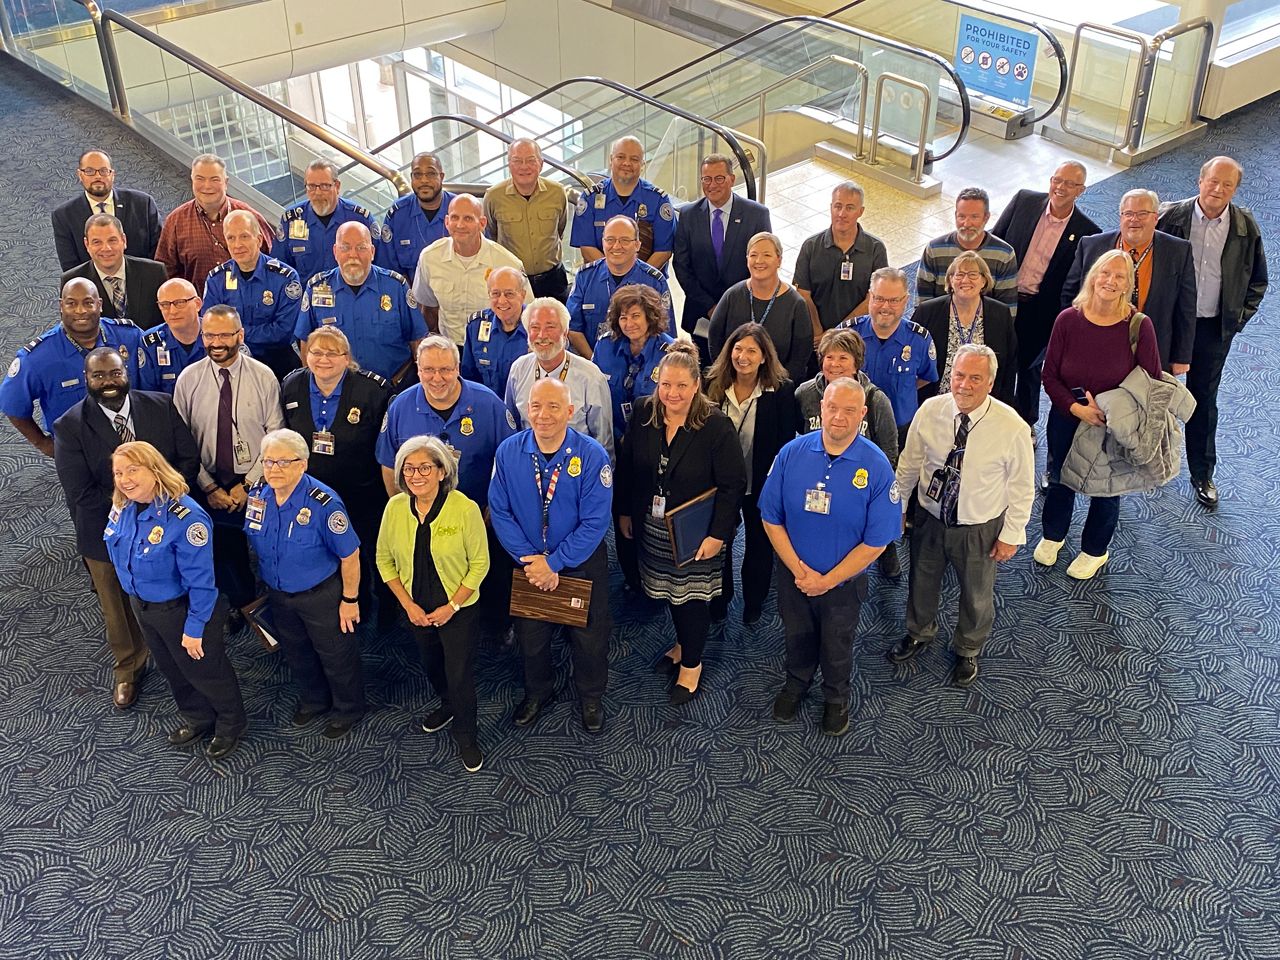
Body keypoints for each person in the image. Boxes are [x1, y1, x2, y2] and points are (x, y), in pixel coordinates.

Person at [53, 347, 199, 709]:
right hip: (106, 533)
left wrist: (159, 506)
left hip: (169, 523)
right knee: (116, 606)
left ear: (126, 372)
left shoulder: (161, 405)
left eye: (114, 374)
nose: (108, 383)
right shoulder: (69, 427)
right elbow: (80, 492)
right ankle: (129, 667)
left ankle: (189, 651)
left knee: (178, 590)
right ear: (86, 379)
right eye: (98, 376)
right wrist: (136, 507)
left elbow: (187, 460)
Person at [759, 377, 899, 736]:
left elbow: (877, 540)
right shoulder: (792, 453)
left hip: (843, 584)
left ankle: (836, 698)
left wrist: (827, 581)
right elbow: (770, 517)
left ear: (863, 414)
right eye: (832, 407)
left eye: (849, 410)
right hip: (795, 577)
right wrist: (800, 572)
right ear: (821, 408)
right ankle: (796, 682)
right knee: (797, 635)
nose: (839, 417)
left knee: (837, 644)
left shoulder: (877, 466)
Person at [889, 344, 1035, 686]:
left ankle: (968, 648)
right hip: (929, 518)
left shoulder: (1011, 426)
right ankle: (918, 631)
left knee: (976, 592)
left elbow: (1022, 487)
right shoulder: (930, 411)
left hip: (979, 528)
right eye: (958, 375)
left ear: (990, 383)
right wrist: (898, 510)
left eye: (975, 378)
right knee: (921, 582)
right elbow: (909, 465)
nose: (964, 385)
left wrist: (1011, 534)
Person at [617, 342, 745, 704]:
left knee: (690, 599)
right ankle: (681, 643)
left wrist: (719, 535)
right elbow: (627, 468)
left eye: (682, 386)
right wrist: (625, 511)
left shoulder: (715, 425)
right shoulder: (643, 411)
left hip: (696, 534)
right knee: (668, 593)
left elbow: (733, 484)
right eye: (666, 385)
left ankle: (692, 663)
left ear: (696, 387)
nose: (672, 394)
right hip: (653, 528)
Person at [104, 440, 246, 760]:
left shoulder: (185, 518)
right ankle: (199, 717)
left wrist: (195, 628)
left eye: (133, 470)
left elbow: (202, 584)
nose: (125, 479)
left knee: (207, 670)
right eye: (118, 472)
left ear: (154, 471)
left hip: (182, 610)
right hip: (143, 607)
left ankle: (230, 723)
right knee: (172, 669)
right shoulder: (123, 507)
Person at [489, 377, 614, 732]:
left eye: (554, 407)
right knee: (531, 637)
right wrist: (532, 561)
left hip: (579, 563)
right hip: (528, 565)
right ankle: (538, 692)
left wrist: (554, 563)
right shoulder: (509, 452)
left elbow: (595, 522)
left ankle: (590, 695)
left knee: (590, 637)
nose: (543, 415)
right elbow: (499, 512)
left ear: (570, 412)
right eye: (536, 406)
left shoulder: (592, 456)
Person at [1038, 250, 1162, 579]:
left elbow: (1150, 384)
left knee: (1106, 489)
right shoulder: (1068, 319)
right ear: (1093, 276)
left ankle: (1095, 550)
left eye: (1119, 276)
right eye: (1104, 273)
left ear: (1128, 286)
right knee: (1060, 477)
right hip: (1068, 417)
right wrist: (1077, 408)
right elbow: (1049, 376)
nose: (1110, 280)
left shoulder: (1139, 326)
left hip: (1113, 426)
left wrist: (1111, 412)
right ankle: (1053, 534)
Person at [377, 336, 516, 624]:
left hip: (480, 515)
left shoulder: (488, 403)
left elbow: (509, 460)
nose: (436, 378)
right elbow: (389, 463)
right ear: (418, 369)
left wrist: (496, 505)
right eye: (428, 370)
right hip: (423, 518)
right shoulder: (401, 407)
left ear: (458, 368)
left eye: (445, 370)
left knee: (490, 574)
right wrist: (401, 507)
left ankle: (496, 626)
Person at [1157, 156, 1269, 509]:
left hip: (1212, 327)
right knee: (1154, 389)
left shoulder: (1244, 226)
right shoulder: (1170, 216)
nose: (1219, 190)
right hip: (1169, 323)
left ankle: (1202, 473)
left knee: (1204, 400)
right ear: (1199, 180)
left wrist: (1235, 321)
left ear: (1235, 189)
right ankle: (1146, 458)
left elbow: (1257, 281)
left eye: (1228, 185)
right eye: (1213, 181)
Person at [377, 435, 489, 772]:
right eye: (409, 469)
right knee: (431, 664)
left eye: (425, 467)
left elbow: (480, 565)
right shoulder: (395, 507)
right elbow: (384, 561)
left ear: (442, 471)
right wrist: (408, 605)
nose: (416, 475)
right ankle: (446, 705)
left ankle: (466, 733)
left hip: (458, 607)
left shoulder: (465, 508)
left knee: (459, 673)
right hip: (416, 606)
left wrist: (451, 607)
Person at [244, 429, 365, 740]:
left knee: (336, 655)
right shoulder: (259, 494)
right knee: (297, 651)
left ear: (303, 464)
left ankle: (348, 708)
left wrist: (350, 600)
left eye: (283, 462)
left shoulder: (324, 503)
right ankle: (315, 700)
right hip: (279, 594)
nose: (273, 469)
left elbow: (350, 555)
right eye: (268, 461)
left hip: (320, 595)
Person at [172, 305, 284, 619]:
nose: (217, 342)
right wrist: (207, 487)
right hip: (209, 483)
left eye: (224, 334)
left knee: (270, 548)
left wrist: (249, 484)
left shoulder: (263, 376)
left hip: (258, 484)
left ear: (240, 335)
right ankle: (242, 605)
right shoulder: (188, 380)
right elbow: (182, 440)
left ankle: (278, 607)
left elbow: (276, 434)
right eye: (209, 335)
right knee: (225, 554)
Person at [280, 327, 391, 618]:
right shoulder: (292, 385)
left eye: (332, 353)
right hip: (314, 494)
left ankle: (385, 610)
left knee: (371, 552)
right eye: (316, 352)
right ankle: (347, 606)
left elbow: (386, 446)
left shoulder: (373, 391)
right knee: (327, 551)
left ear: (347, 357)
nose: (323, 359)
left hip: (363, 492)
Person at [991, 162, 1102, 426]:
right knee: (995, 356)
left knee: (1030, 366)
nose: (1061, 188)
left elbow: (1080, 283)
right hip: (1003, 298)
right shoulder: (1024, 201)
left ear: (1081, 190)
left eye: (1070, 184)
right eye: (1057, 180)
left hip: (1042, 308)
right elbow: (996, 239)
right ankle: (993, 414)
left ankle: (1026, 422)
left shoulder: (1087, 231)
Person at [704, 324, 795, 625]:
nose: (743, 357)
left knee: (759, 545)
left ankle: (753, 602)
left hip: (761, 483)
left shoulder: (781, 392)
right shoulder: (712, 386)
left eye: (751, 351)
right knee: (720, 542)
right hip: (720, 484)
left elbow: (785, 446)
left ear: (764, 357)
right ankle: (720, 598)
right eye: (738, 349)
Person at [795, 327, 902, 577]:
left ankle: (887, 556)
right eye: (829, 357)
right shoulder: (805, 394)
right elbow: (795, 439)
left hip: (861, 482)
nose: (835, 364)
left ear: (857, 363)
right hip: (818, 479)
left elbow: (889, 451)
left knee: (872, 530)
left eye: (843, 358)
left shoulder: (875, 400)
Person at [591, 284, 675, 591]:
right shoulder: (604, 347)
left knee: (650, 516)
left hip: (653, 448)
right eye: (623, 317)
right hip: (614, 445)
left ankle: (655, 575)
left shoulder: (670, 351)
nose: (630, 323)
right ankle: (630, 577)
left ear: (651, 316)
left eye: (636, 316)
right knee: (620, 510)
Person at [1, 277, 143, 455]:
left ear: (99, 304)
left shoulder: (130, 337)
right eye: (71, 304)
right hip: (81, 449)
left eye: (88, 302)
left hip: (135, 440)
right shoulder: (37, 357)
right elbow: (12, 404)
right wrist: (43, 443)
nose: (80, 311)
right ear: (61, 306)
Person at [1062, 189, 1196, 373]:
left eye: (1142, 214)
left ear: (1155, 218)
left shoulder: (1178, 251)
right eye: (1129, 214)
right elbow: (1070, 295)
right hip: (1094, 342)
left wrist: (1181, 356)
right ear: (1121, 217)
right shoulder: (1091, 246)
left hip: (1150, 348)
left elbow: (1186, 306)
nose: (1135, 220)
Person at [295, 221, 426, 384]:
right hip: (340, 390)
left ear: (372, 252)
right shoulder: (317, 288)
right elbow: (307, 342)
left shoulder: (395, 287)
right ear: (335, 252)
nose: (353, 255)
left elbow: (416, 339)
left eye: (361, 248)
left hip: (394, 386)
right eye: (345, 247)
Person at [673, 153, 772, 363]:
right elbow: (681, 266)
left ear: (732, 179)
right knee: (706, 370)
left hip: (745, 313)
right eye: (706, 179)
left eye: (719, 178)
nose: (712, 185)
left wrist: (733, 307)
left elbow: (764, 266)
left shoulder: (756, 215)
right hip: (701, 314)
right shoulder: (688, 215)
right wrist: (710, 307)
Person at [412, 194, 531, 345]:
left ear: (482, 223)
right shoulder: (429, 258)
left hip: (494, 347)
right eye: (455, 218)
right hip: (450, 347)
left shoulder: (507, 263)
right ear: (447, 222)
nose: (460, 225)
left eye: (468, 218)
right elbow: (427, 306)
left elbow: (527, 314)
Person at [505, 298, 615, 460]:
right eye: (535, 327)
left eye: (550, 327)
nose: (542, 335)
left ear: (565, 332)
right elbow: (512, 426)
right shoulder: (518, 370)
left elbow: (603, 441)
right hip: (529, 464)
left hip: (577, 468)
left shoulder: (590, 377)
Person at [839, 267, 939, 445]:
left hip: (901, 429)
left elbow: (926, 377)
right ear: (870, 297)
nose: (885, 307)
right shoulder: (848, 334)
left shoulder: (919, 340)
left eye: (893, 300)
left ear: (906, 300)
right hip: (854, 428)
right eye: (879, 299)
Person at [202, 210, 304, 379]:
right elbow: (210, 327)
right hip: (229, 363)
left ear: (258, 239)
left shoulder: (285, 278)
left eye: (244, 236)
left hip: (276, 364)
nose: (237, 245)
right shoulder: (216, 279)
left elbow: (284, 332)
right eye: (231, 238)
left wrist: (235, 335)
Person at [913, 251, 1018, 408]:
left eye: (973, 275)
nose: (965, 280)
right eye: (959, 275)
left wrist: (1004, 406)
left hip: (982, 402)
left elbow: (1009, 364)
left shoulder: (1000, 313)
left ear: (984, 281)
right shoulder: (927, 312)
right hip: (935, 401)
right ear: (950, 280)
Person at [793, 181, 889, 348]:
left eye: (850, 208)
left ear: (861, 212)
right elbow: (803, 293)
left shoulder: (875, 249)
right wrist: (818, 332)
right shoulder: (811, 246)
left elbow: (874, 297)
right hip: (816, 338)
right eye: (838, 206)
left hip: (857, 337)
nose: (842, 214)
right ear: (831, 207)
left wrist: (838, 332)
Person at [154, 154, 274, 286]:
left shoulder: (249, 216)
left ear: (226, 182)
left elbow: (274, 260)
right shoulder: (176, 221)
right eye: (200, 179)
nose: (207, 186)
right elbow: (165, 271)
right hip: (199, 304)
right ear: (192, 180)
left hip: (248, 302)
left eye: (214, 179)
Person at [708, 232, 811, 382]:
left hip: (776, 389)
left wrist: (777, 386)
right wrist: (728, 376)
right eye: (753, 255)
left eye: (767, 255)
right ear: (747, 259)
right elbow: (715, 340)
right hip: (732, 382)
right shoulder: (732, 295)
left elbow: (800, 358)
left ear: (779, 260)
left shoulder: (796, 304)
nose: (759, 261)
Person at [566, 215, 674, 357]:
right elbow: (573, 329)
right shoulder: (584, 277)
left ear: (637, 245)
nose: (616, 246)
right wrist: (595, 364)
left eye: (624, 240)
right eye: (610, 240)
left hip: (642, 369)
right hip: (590, 364)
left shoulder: (655, 281)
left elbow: (665, 335)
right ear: (603, 243)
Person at [483, 138, 570, 302]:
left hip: (553, 280)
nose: (524, 167)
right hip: (513, 282)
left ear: (541, 164)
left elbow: (560, 229)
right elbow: (492, 236)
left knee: (556, 325)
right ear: (509, 164)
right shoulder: (494, 196)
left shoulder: (557, 193)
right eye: (517, 161)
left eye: (531, 160)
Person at [570, 136, 675, 270]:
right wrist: (613, 276)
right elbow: (586, 247)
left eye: (634, 159)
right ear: (610, 160)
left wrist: (637, 278)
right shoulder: (590, 198)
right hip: (601, 281)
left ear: (643, 164)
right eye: (620, 157)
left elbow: (663, 251)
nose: (627, 163)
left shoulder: (658, 201)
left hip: (646, 286)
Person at [52, 149, 163, 271]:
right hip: (93, 286)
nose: (98, 176)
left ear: (112, 174)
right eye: (90, 171)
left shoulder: (143, 204)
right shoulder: (64, 215)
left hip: (143, 281)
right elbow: (71, 266)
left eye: (104, 171)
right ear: (80, 175)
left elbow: (159, 252)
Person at [916, 187, 1019, 315]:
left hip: (984, 326)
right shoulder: (934, 249)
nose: (966, 223)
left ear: (986, 218)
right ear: (955, 216)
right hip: (939, 321)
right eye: (962, 216)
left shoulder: (1004, 254)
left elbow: (1007, 309)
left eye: (974, 217)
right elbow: (922, 300)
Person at [272, 159, 378, 283]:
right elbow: (280, 268)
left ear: (337, 186)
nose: (317, 192)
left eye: (324, 186)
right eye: (311, 186)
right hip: (307, 298)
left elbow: (380, 265)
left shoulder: (360, 219)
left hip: (351, 298)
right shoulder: (291, 220)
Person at [60, 213, 167, 330]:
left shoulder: (154, 272)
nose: (106, 248)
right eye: (97, 242)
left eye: (112, 240)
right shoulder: (72, 281)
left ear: (123, 240)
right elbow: (72, 328)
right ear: (87, 245)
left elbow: (166, 320)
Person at [376, 152, 456, 284]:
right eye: (417, 174)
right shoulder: (398, 214)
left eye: (431, 174)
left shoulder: (461, 208)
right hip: (411, 296)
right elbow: (387, 268)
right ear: (411, 178)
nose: (424, 180)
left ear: (441, 177)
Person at [460, 265, 530, 397]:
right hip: (489, 409)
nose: (502, 301)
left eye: (509, 294)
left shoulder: (538, 327)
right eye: (496, 294)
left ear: (522, 295)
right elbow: (469, 380)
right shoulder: (476, 327)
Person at [136, 279, 206, 393]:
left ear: (197, 304)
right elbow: (149, 397)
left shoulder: (217, 337)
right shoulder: (151, 343)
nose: (172, 311)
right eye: (165, 304)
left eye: (179, 303)